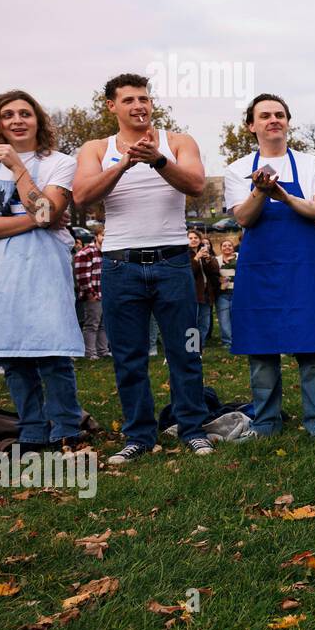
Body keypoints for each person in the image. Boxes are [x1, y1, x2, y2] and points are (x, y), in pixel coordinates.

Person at [72, 73, 214, 463]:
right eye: (130, 99)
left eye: (144, 99)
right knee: (128, 356)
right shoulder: (96, 148)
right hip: (121, 267)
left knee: (186, 350)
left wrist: (157, 160)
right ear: (111, 106)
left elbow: (197, 184)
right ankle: (138, 435)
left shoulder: (178, 142)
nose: (139, 106)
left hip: (172, 264)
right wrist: (123, 163)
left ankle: (193, 429)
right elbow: (82, 197)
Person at [224, 94, 315, 447]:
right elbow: (244, 217)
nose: (273, 120)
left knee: (313, 347)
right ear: (252, 125)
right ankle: (265, 422)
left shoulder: (312, 164)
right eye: (265, 116)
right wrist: (261, 191)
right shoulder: (236, 168)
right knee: (262, 348)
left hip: (304, 268)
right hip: (260, 269)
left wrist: (284, 196)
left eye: (279, 114)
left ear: (288, 122)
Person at [0, 90, 86, 451]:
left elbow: (50, 216)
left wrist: (18, 168)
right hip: (3, 272)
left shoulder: (59, 162)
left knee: (51, 352)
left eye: (24, 113)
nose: (17, 120)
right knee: (14, 355)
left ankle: (65, 426)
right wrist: (34, 218)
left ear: (38, 119)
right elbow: (43, 215)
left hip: (45, 267)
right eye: (7, 115)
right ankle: (31, 430)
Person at [73, 227, 110, 359]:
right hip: (93, 295)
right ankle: (90, 353)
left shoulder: (107, 252)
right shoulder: (87, 252)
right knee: (91, 325)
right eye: (102, 235)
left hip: (105, 294)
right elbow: (82, 275)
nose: (105, 238)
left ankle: (102, 351)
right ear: (96, 236)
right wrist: (90, 294)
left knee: (104, 325)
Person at [189, 230, 219, 350]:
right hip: (192, 294)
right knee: (192, 323)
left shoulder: (205, 252)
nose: (193, 240)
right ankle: (192, 348)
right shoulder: (184, 255)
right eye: (190, 238)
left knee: (204, 324)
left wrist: (208, 260)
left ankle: (199, 348)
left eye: (196, 237)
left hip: (206, 294)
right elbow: (189, 272)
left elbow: (215, 271)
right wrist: (196, 258)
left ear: (200, 240)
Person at [215, 237, 237, 347]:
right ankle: (227, 342)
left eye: (229, 245)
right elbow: (213, 274)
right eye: (224, 246)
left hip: (237, 293)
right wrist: (219, 280)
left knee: (237, 318)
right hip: (223, 294)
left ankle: (238, 340)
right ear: (221, 248)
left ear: (233, 248)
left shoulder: (239, 258)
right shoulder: (217, 260)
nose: (227, 247)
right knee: (224, 319)